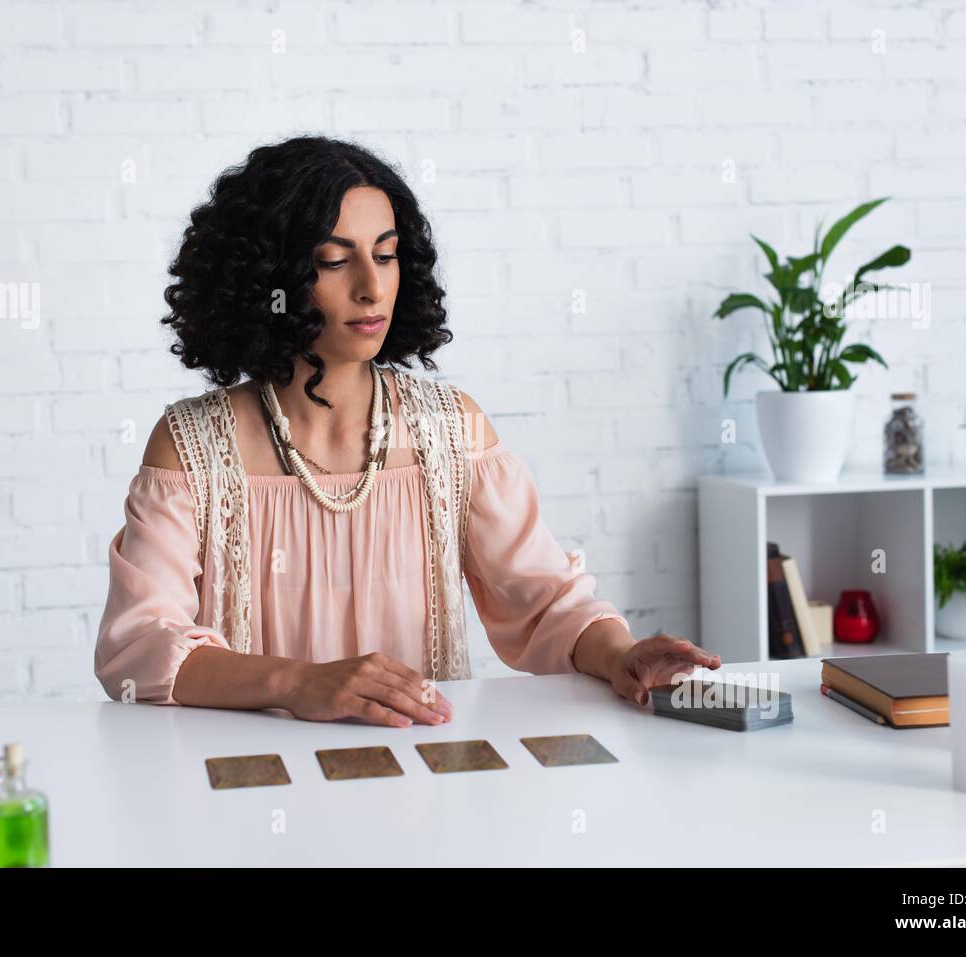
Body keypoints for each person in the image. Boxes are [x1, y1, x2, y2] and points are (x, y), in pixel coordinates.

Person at [95, 135, 719, 727]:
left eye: (386, 256)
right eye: (335, 261)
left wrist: (619, 656)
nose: (371, 287)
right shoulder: (191, 448)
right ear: (268, 281)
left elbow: (546, 601)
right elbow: (141, 646)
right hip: (253, 784)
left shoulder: (452, 433)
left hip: (421, 774)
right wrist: (298, 683)